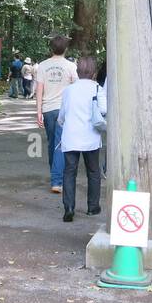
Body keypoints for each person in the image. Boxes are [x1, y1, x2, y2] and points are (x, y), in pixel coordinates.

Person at [57, 56, 105, 222]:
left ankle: (69, 207)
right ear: (93, 72)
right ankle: (93, 207)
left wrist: (62, 122)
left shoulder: (69, 89)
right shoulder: (98, 88)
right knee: (93, 171)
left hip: (71, 136)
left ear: (77, 71)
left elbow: (62, 114)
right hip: (90, 137)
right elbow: (104, 110)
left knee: (69, 172)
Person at [34, 36, 77, 193]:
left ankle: (55, 175)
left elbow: (39, 90)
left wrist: (38, 111)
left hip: (48, 110)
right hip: (64, 110)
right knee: (59, 144)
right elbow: (76, 87)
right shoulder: (71, 66)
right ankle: (57, 181)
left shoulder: (43, 66)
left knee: (53, 143)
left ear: (51, 48)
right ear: (66, 49)